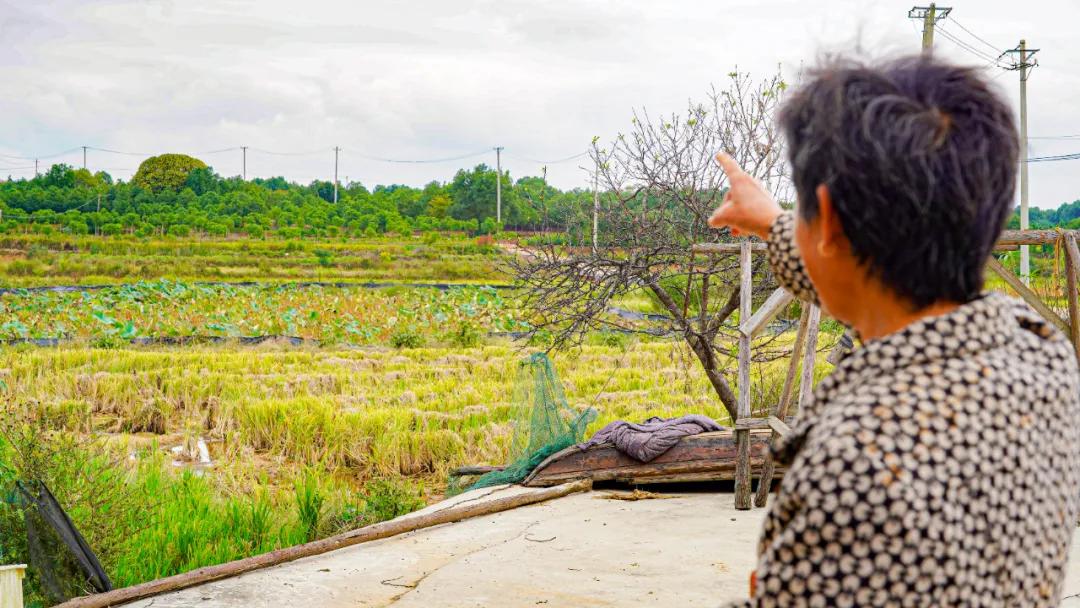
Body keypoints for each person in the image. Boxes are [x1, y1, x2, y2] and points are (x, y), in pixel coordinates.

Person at [708, 54, 1080, 607]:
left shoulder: (854, 467)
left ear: (829, 220)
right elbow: (860, 281)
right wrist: (773, 221)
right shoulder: (1046, 358)